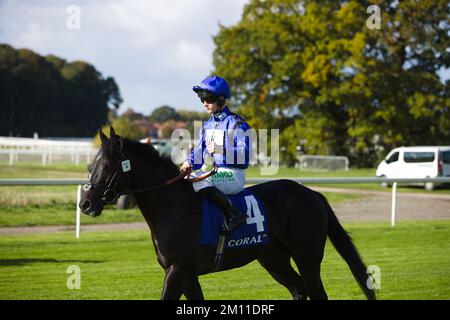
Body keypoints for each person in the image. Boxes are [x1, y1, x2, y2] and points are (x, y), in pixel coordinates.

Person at [180, 75, 251, 232]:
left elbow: (244, 158)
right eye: (202, 99)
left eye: (209, 99)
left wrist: (221, 150)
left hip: (234, 175)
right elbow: (199, 151)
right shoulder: (208, 125)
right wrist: (189, 163)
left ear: (221, 99)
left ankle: (233, 214)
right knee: (185, 180)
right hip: (216, 172)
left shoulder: (237, 124)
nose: (205, 103)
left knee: (199, 181)